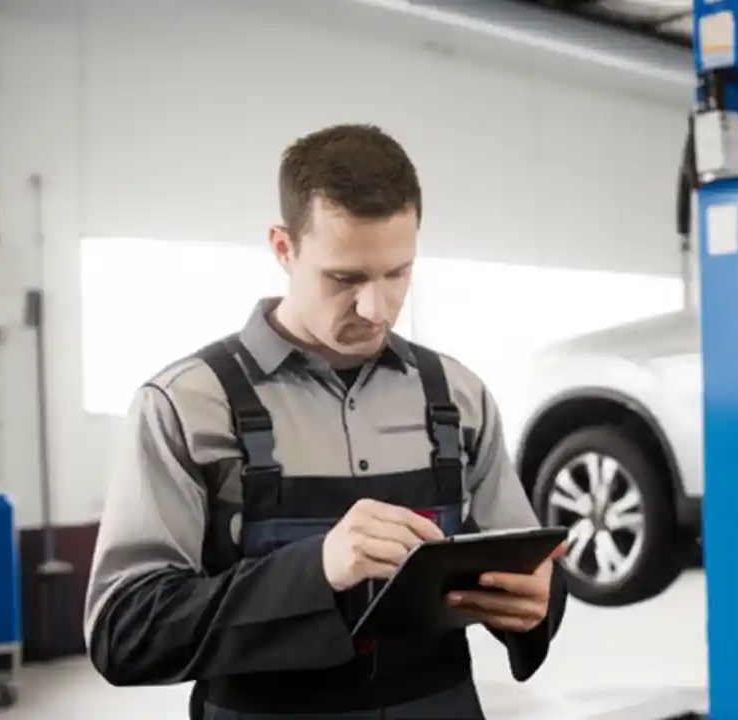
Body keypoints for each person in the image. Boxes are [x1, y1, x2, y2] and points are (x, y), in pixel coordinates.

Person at [82, 123, 566, 719]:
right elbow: (125, 632)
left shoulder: (459, 398)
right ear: (283, 248)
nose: (376, 308)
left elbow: (525, 566)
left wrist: (542, 602)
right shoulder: (185, 406)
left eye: (398, 274)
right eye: (345, 279)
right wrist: (316, 571)